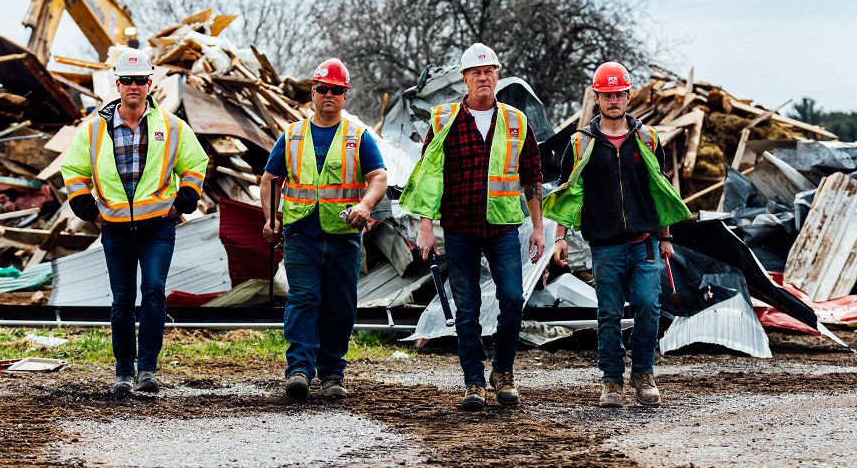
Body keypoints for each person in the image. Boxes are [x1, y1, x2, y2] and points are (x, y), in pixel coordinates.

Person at [400, 43, 544, 412]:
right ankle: (474, 381)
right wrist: (426, 227)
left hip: (503, 226)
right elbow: (428, 177)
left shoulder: (516, 121)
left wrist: (538, 227)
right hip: (460, 226)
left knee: (512, 297)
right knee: (467, 308)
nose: (483, 78)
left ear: (497, 76)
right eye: (476, 73)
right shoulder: (443, 119)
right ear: (464, 79)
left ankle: (503, 371)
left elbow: (532, 177)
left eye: (489, 71)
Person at [62, 48, 208, 395]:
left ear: (150, 83)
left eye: (140, 80)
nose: (133, 86)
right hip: (115, 229)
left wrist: (183, 201)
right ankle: (124, 373)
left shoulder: (171, 127)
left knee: (154, 291)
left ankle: (147, 371)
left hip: (157, 227)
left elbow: (194, 164)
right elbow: (73, 169)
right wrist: (88, 209)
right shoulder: (94, 129)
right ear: (117, 84)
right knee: (123, 300)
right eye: (127, 80)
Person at [543, 61, 690, 408]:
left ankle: (643, 373)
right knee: (608, 313)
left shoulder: (647, 139)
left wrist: (666, 237)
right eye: (607, 95)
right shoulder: (581, 143)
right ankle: (611, 380)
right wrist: (560, 238)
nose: (613, 101)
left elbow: (660, 191)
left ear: (628, 96)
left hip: (644, 243)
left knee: (648, 306)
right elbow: (568, 194)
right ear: (596, 97)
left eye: (619, 94)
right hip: (605, 245)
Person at [260, 58, 387, 401]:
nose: (328, 94)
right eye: (322, 89)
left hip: (344, 236)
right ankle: (300, 370)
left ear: (345, 96)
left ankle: (332, 373)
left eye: (336, 90)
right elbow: (271, 178)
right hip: (301, 235)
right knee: (303, 299)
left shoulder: (358, 136)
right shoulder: (292, 136)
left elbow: (378, 177)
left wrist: (365, 206)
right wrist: (271, 219)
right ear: (312, 93)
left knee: (339, 306)